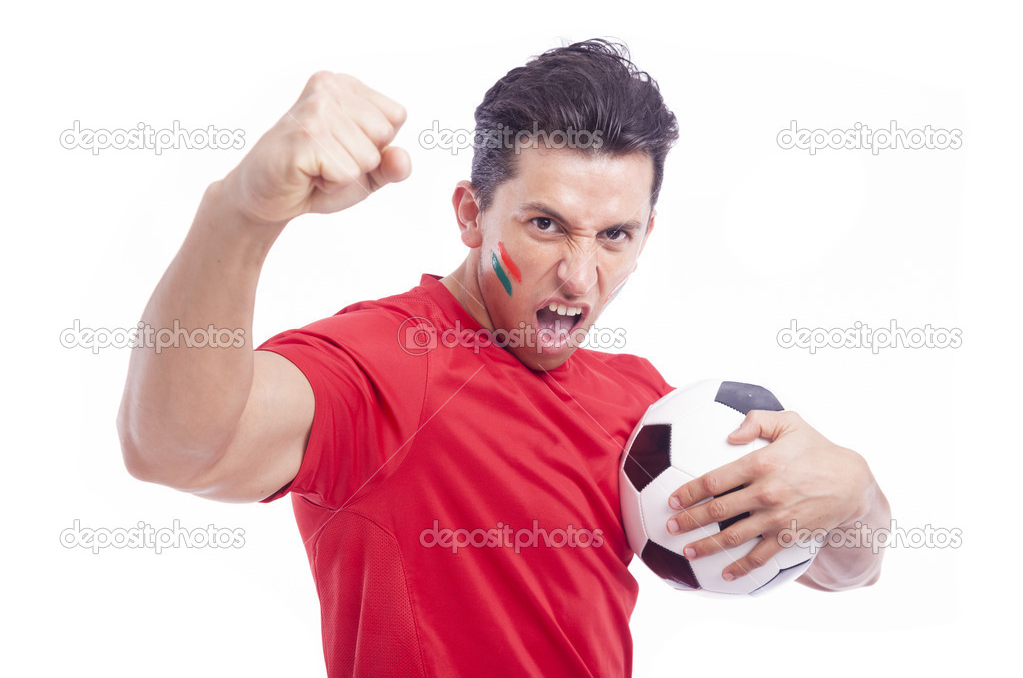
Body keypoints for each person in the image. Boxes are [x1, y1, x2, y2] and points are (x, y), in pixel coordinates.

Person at [117, 39, 891, 677]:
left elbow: (842, 572)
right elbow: (175, 447)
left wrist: (850, 493)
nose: (581, 276)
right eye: (547, 225)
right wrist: (241, 213)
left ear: (646, 235)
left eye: (614, 235)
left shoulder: (652, 417)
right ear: (470, 214)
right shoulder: (383, 364)